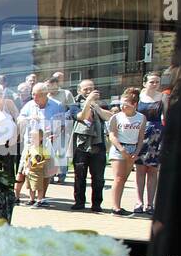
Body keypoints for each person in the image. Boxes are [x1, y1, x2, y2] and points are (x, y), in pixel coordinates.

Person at [15, 82, 66, 207]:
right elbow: (19, 119)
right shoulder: (29, 105)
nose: (34, 98)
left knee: (46, 171)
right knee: (23, 169)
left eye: (37, 95)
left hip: (47, 145)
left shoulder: (57, 106)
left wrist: (56, 133)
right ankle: (15, 195)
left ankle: (40, 198)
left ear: (45, 94)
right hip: (30, 144)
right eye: (33, 94)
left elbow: (62, 124)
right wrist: (28, 118)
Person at [67, 80, 112, 213]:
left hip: (98, 145)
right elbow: (82, 116)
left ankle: (96, 204)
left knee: (98, 177)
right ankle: (79, 202)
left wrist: (96, 106)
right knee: (79, 175)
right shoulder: (74, 104)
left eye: (91, 89)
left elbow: (108, 117)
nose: (89, 92)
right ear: (79, 91)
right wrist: (89, 102)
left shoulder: (102, 103)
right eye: (86, 89)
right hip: (81, 145)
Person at [108, 88, 146, 217]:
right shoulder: (116, 117)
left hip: (133, 148)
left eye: (126, 104)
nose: (122, 107)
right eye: (121, 104)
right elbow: (112, 136)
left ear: (134, 104)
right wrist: (121, 149)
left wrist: (137, 152)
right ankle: (115, 207)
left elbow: (141, 137)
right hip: (119, 148)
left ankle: (118, 205)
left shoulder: (141, 118)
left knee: (124, 179)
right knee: (118, 178)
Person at [136, 72, 165, 215]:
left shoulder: (163, 97)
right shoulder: (138, 97)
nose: (154, 84)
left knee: (153, 170)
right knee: (140, 170)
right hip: (140, 133)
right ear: (144, 83)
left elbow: (167, 117)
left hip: (156, 134)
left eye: (157, 82)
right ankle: (139, 202)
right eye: (152, 82)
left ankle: (150, 204)